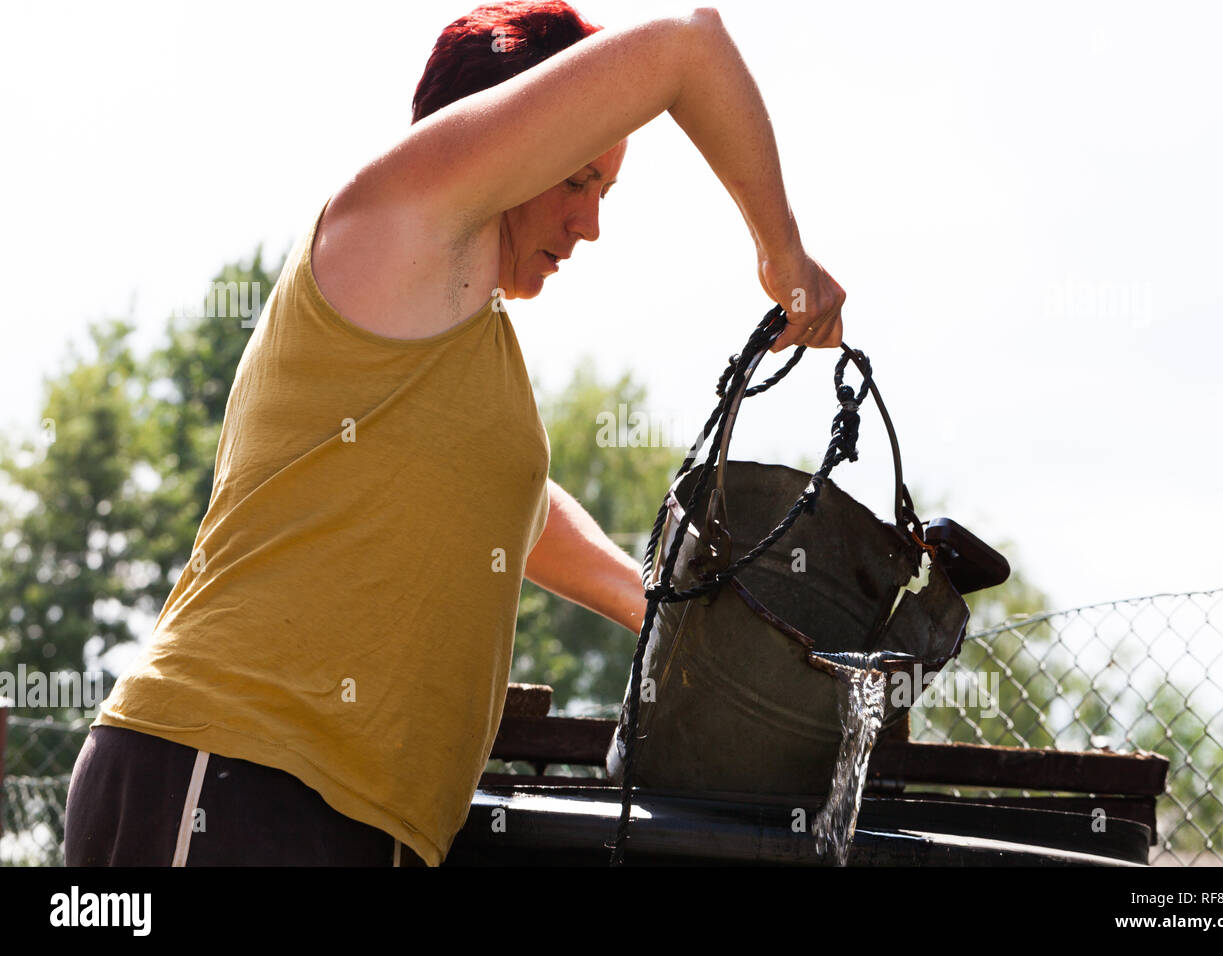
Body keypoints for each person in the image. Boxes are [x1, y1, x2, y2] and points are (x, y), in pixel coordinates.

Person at [63, 0, 847, 867]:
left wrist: (664, 612)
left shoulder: (455, 344)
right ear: (510, 132)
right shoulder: (399, 214)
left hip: (364, 819)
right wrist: (784, 254)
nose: (591, 226)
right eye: (577, 179)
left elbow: (513, 510)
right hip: (229, 777)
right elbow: (689, 45)